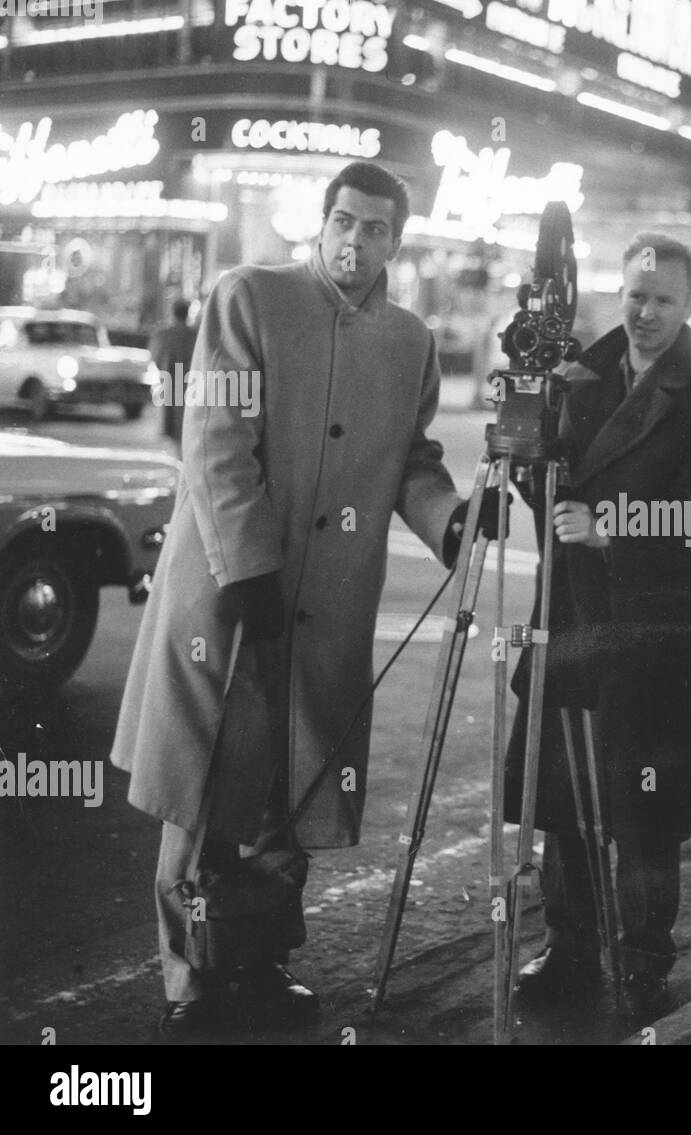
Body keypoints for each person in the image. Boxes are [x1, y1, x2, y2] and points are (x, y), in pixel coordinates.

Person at [110, 161, 499, 1040]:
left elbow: (414, 459)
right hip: (228, 598)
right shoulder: (247, 297)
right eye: (343, 223)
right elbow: (215, 443)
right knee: (205, 796)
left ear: (397, 242)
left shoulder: (411, 342)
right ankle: (193, 983)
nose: (355, 242)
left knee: (291, 791)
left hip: (327, 609)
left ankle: (261, 960)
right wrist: (248, 571)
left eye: (375, 230)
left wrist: (452, 520)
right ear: (320, 224)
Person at [504, 231, 691, 1018]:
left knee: (641, 811)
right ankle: (569, 945)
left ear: (690, 305)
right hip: (575, 615)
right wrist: (520, 422)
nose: (644, 314)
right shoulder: (577, 381)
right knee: (564, 802)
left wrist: (611, 523)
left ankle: (644, 954)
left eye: (662, 301)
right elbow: (539, 492)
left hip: (656, 633)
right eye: (635, 296)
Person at [149, 297, 197, 447]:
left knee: (172, 422)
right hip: (192, 383)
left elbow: (155, 357)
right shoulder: (195, 335)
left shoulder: (163, 334)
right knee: (188, 421)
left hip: (170, 380)